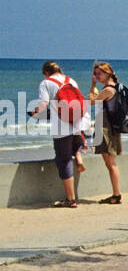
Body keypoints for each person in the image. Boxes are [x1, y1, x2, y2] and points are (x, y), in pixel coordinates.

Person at [27, 61, 89, 207]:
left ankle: (70, 199)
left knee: (63, 159)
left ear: (46, 73)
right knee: (75, 146)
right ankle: (79, 157)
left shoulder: (46, 83)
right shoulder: (71, 80)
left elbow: (43, 104)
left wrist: (36, 112)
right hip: (79, 121)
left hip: (62, 126)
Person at [85, 61, 125, 204]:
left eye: (99, 74)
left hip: (105, 125)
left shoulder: (108, 89)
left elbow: (91, 101)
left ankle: (116, 194)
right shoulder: (118, 87)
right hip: (111, 125)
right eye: (95, 74)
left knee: (110, 162)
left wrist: (93, 85)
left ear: (107, 73)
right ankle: (116, 193)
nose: (97, 76)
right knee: (111, 162)